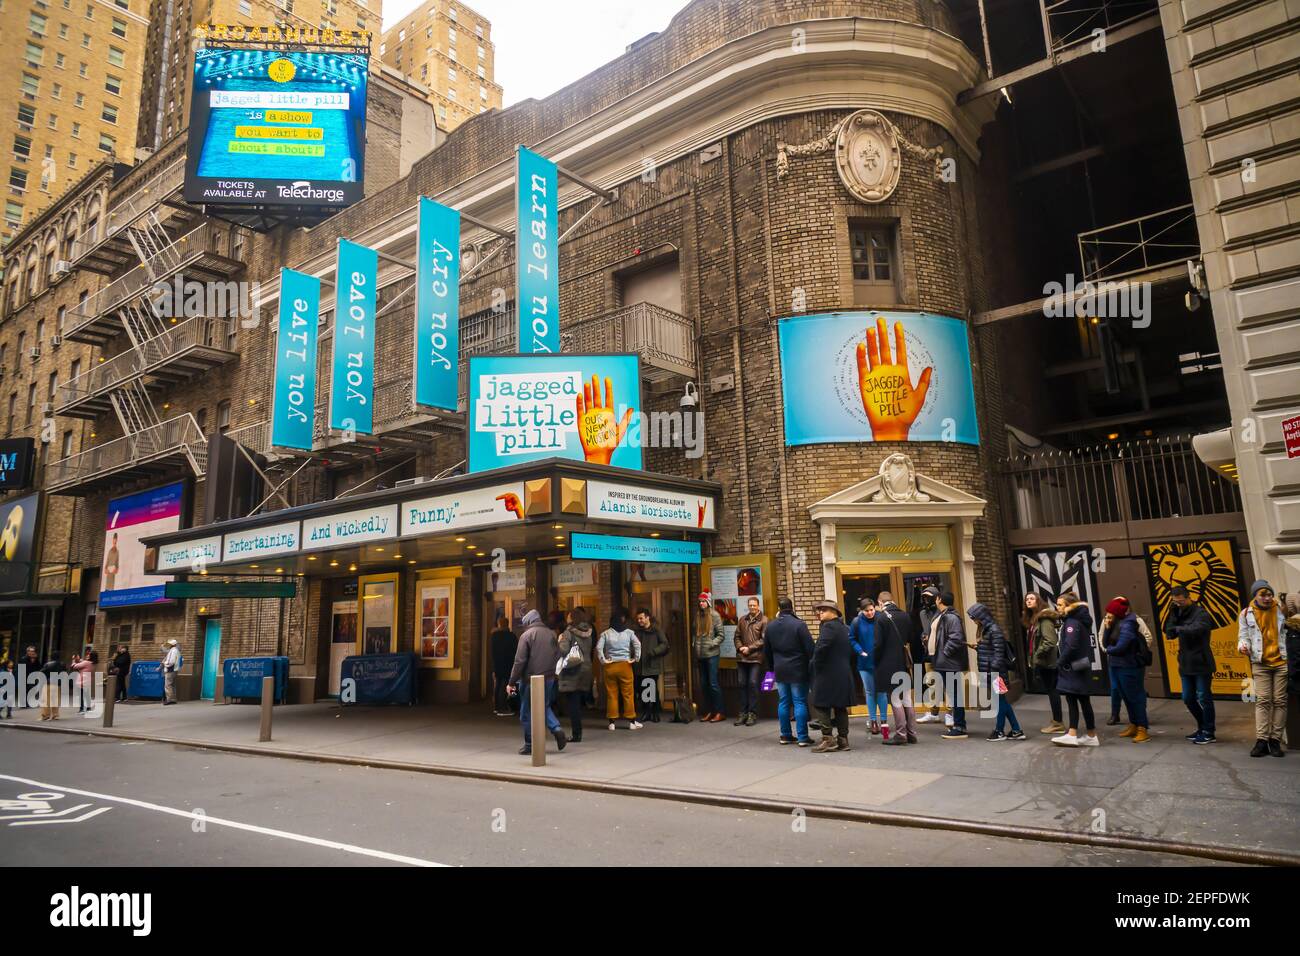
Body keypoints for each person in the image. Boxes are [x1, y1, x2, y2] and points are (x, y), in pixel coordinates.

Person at [1237, 580, 1288, 757]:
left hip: (1282, 661)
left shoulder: (1281, 609)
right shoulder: (1246, 614)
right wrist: (1243, 646)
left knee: (1280, 701)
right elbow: (1243, 636)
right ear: (1255, 596)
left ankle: (1275, 740)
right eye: (1263, 595)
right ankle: (1261, 740)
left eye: (1269, 594)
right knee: (1263, 700)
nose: (1267, 598)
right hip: (1260, 662)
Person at [507, 608, 566, 756]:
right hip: (549, 679)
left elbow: (519, 661)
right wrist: (553, 673)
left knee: (526, 712)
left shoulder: (526, 635)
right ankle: (557, 728)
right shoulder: (551, 634)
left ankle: (529, 744)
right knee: (543, 706)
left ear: (528, 622)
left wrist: (511, 682)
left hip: (530, 680)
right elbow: (559, 654)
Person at [1162, 585, 1216, 744]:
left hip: (1201, 662)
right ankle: (1202, 726)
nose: (1178, 605)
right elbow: (1169, 631)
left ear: (1188, 597)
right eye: (1175, 602)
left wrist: (1179, 628)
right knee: (1188, 698)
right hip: (1185, 663)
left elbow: (1198, 628)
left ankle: (1209, 731)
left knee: (1204, 697)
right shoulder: (1177, 612)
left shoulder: (1201, 613)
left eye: (1180, 602)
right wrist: (1172, 614)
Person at [764, 597, 815, 746]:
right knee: (799, 701)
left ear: (779, 609)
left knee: (784, 701)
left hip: (779, 669)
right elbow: (810, 648)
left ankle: (785, 735)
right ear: (791, 608)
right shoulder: (799, 625)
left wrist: (772, 668)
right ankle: (802, 737)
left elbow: (766, 650)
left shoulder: (771, 626)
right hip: (798, 669)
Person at [969, 603, 1023, 740]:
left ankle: (999, 730)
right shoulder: (987, 630)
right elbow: (991, 651)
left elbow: (999, 654)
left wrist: (992, 671)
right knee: (1001, 700)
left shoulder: (993, 630)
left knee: (999, 702)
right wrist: (978, 648)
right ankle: (1016, 730)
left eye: (975, 618)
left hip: (995, 673)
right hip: (992, 671)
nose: (974, 621)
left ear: (982, 617)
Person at [1053, 592, 1100, 747]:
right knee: (1083, 700)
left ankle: (1072, 734)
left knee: (1072, 699)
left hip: (1072, 668)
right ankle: (1091, 735)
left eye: (1060, 605)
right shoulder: (1078, 620)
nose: (1057, 607)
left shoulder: (1072, 622)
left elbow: (1071, 646)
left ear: (1069, 606)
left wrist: (1060, 662)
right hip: (1080, 666)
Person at [1101, 597, 1149, 743]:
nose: (1107, 615)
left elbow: (1122, 646)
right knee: (1125, 696)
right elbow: (1104, 641)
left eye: (1110, 613)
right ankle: (1133, 724)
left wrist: (1109, 650)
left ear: (1116, 613)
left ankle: (1142, 728)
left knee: (1135, 697)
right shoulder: (1114, 622)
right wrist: (1108, 628)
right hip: (1116, 665)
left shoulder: (1129, 624)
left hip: (1129, 666)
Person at [809, 599, 854, 753]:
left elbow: (820, 649)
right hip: (843, 671)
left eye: (823, 610)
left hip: (827, 672)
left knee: (820, 704)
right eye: (819, 610)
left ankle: (828, 739)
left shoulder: (828, 627)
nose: (819, 612)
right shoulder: (844, 628)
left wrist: (815, 665)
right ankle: (843, 740)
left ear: (834, 612)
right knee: (840, 707)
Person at [873, 599, 916, 745]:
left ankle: (900, 734)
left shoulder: (881, 618)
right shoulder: (905, 616)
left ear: (880, 602)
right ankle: (912, 733)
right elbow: (911, 638)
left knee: (896, 699)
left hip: (888, 664)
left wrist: (875, 660)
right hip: (903, 663)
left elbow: (878, 644)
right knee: (907, 699)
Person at [931, 592, 970, 740]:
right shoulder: (942, 615)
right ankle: (958, 725)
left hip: (949, 663)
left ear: (939, 600)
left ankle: (960, 726)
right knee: (953, 694)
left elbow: (956, 637)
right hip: (944, 662)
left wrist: (944, 652)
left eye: (936, 598)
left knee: (955, 695)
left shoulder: (951, 617)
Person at [1024, 593, 1064, 734]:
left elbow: (1050, 641)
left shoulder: (1044, 619)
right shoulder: (1035, 619)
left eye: (1032, 598)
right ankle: (1057, 721)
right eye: (1027, 599)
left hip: (1048, 662)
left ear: (1038, 601)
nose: (1028, 601)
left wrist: (1037, 655)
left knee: (1053, 691)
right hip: (1042, 662)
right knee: (1051, 690)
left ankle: (1058, 723)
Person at [597, 609, 642, 731]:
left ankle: (612, 722)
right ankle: (631, 721)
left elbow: (599, 647)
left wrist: (603, 660)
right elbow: (637, 644)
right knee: (628, 694)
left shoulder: (605, 634)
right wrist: (635, 658)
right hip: (625, 665)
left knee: (612, 694)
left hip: (610, 666)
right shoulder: (629, 633)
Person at [556, 607, 595, 743]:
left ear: (572, 618)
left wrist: (559, 640)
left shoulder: (568, 633)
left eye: (568, 616)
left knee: (573, 704)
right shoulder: (589, 632)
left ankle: (576, 734)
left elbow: (563, 650)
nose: (567, 618)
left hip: (572, 670)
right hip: (585, 669)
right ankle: (578, 732)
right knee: (577, 702)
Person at [850, 598, 885, 735]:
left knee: (881, 692)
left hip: (880, 661)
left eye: (872, 610)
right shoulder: (856, 622)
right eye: (867, 611)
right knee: (870, 692)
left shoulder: (881, 619)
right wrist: (859, 651)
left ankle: (883, 720)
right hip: (864, 662)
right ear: (862, 611)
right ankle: (873, 721)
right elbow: (851, 638)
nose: (870, 613)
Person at [733, 596, 767, 726]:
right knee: (742, 684)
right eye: (750, 605)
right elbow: (737, 636)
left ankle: (752, 713)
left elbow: (763, 639)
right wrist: (740, 647)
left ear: (758, 606)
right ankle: (743, 713)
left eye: (754, 605)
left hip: (756, 658)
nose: (752, 607)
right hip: (742, 657)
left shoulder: (764, 620)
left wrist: (750, 648)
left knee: (752, 684)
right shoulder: (742, 619)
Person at [693, 591, 725, 722]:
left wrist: (712, 643)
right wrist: (694, 643)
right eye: (700, 601)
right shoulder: (697, 615)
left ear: (708, 602)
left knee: (713, 683)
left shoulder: (715, 615)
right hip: (701, 655)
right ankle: (709, 711)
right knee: (704, 684)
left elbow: (721, 635)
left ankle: (720, 711)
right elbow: (695, 633)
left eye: (703, 601)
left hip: (712, 654)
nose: (701, 603)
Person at [634, 607, 670, 723]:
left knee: (652, 689)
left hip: (651, 664)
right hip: (640, 666)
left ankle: (654, 713)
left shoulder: (656, 630)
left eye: (641, 618)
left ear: (647, 617)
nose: (639, 621)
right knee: (643, 689)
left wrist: (654, 651)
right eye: (638, 619)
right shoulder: (637, 632)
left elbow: (664, 644)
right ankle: (647, 712)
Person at [916, 585, 944, 724]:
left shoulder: (942, 612)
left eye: (929, 597)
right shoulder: (922, 613)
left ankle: (952, 714)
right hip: (929, 652)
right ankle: (933, 712)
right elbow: (925, 630)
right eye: (924, 597)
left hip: (942, 653)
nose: (926, 600)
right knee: (931, 683)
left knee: (947, 683)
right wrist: (924, 636)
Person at [489, 616, 518, 716]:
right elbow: (515, 651)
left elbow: (492, 651)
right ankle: (505, 706)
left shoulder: (494, 636)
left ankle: (496, 707)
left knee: (497, 685)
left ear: (499, 624)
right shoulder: (511, 636)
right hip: (508, 664)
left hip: (497, 664)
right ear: (507, 624)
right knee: (507, 685)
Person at [40, 653, 64, 721]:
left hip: (48, 683)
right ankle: (55, 715)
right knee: (56, 700)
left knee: (46, 700)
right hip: (58, 684)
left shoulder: (48, 664)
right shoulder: (62, 664)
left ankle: (46, 715)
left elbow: (42, 672)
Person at [161, 639, 181, 705]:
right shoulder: (176, 650)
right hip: (174, 670)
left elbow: (171, 661)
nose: (168, 645)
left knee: (168, 685)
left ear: (172, 644)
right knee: (172, 685)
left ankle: (169, 699)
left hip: (170, 670)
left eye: (169, 644)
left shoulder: (173, 651)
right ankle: (173, 699)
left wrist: (165, 664)